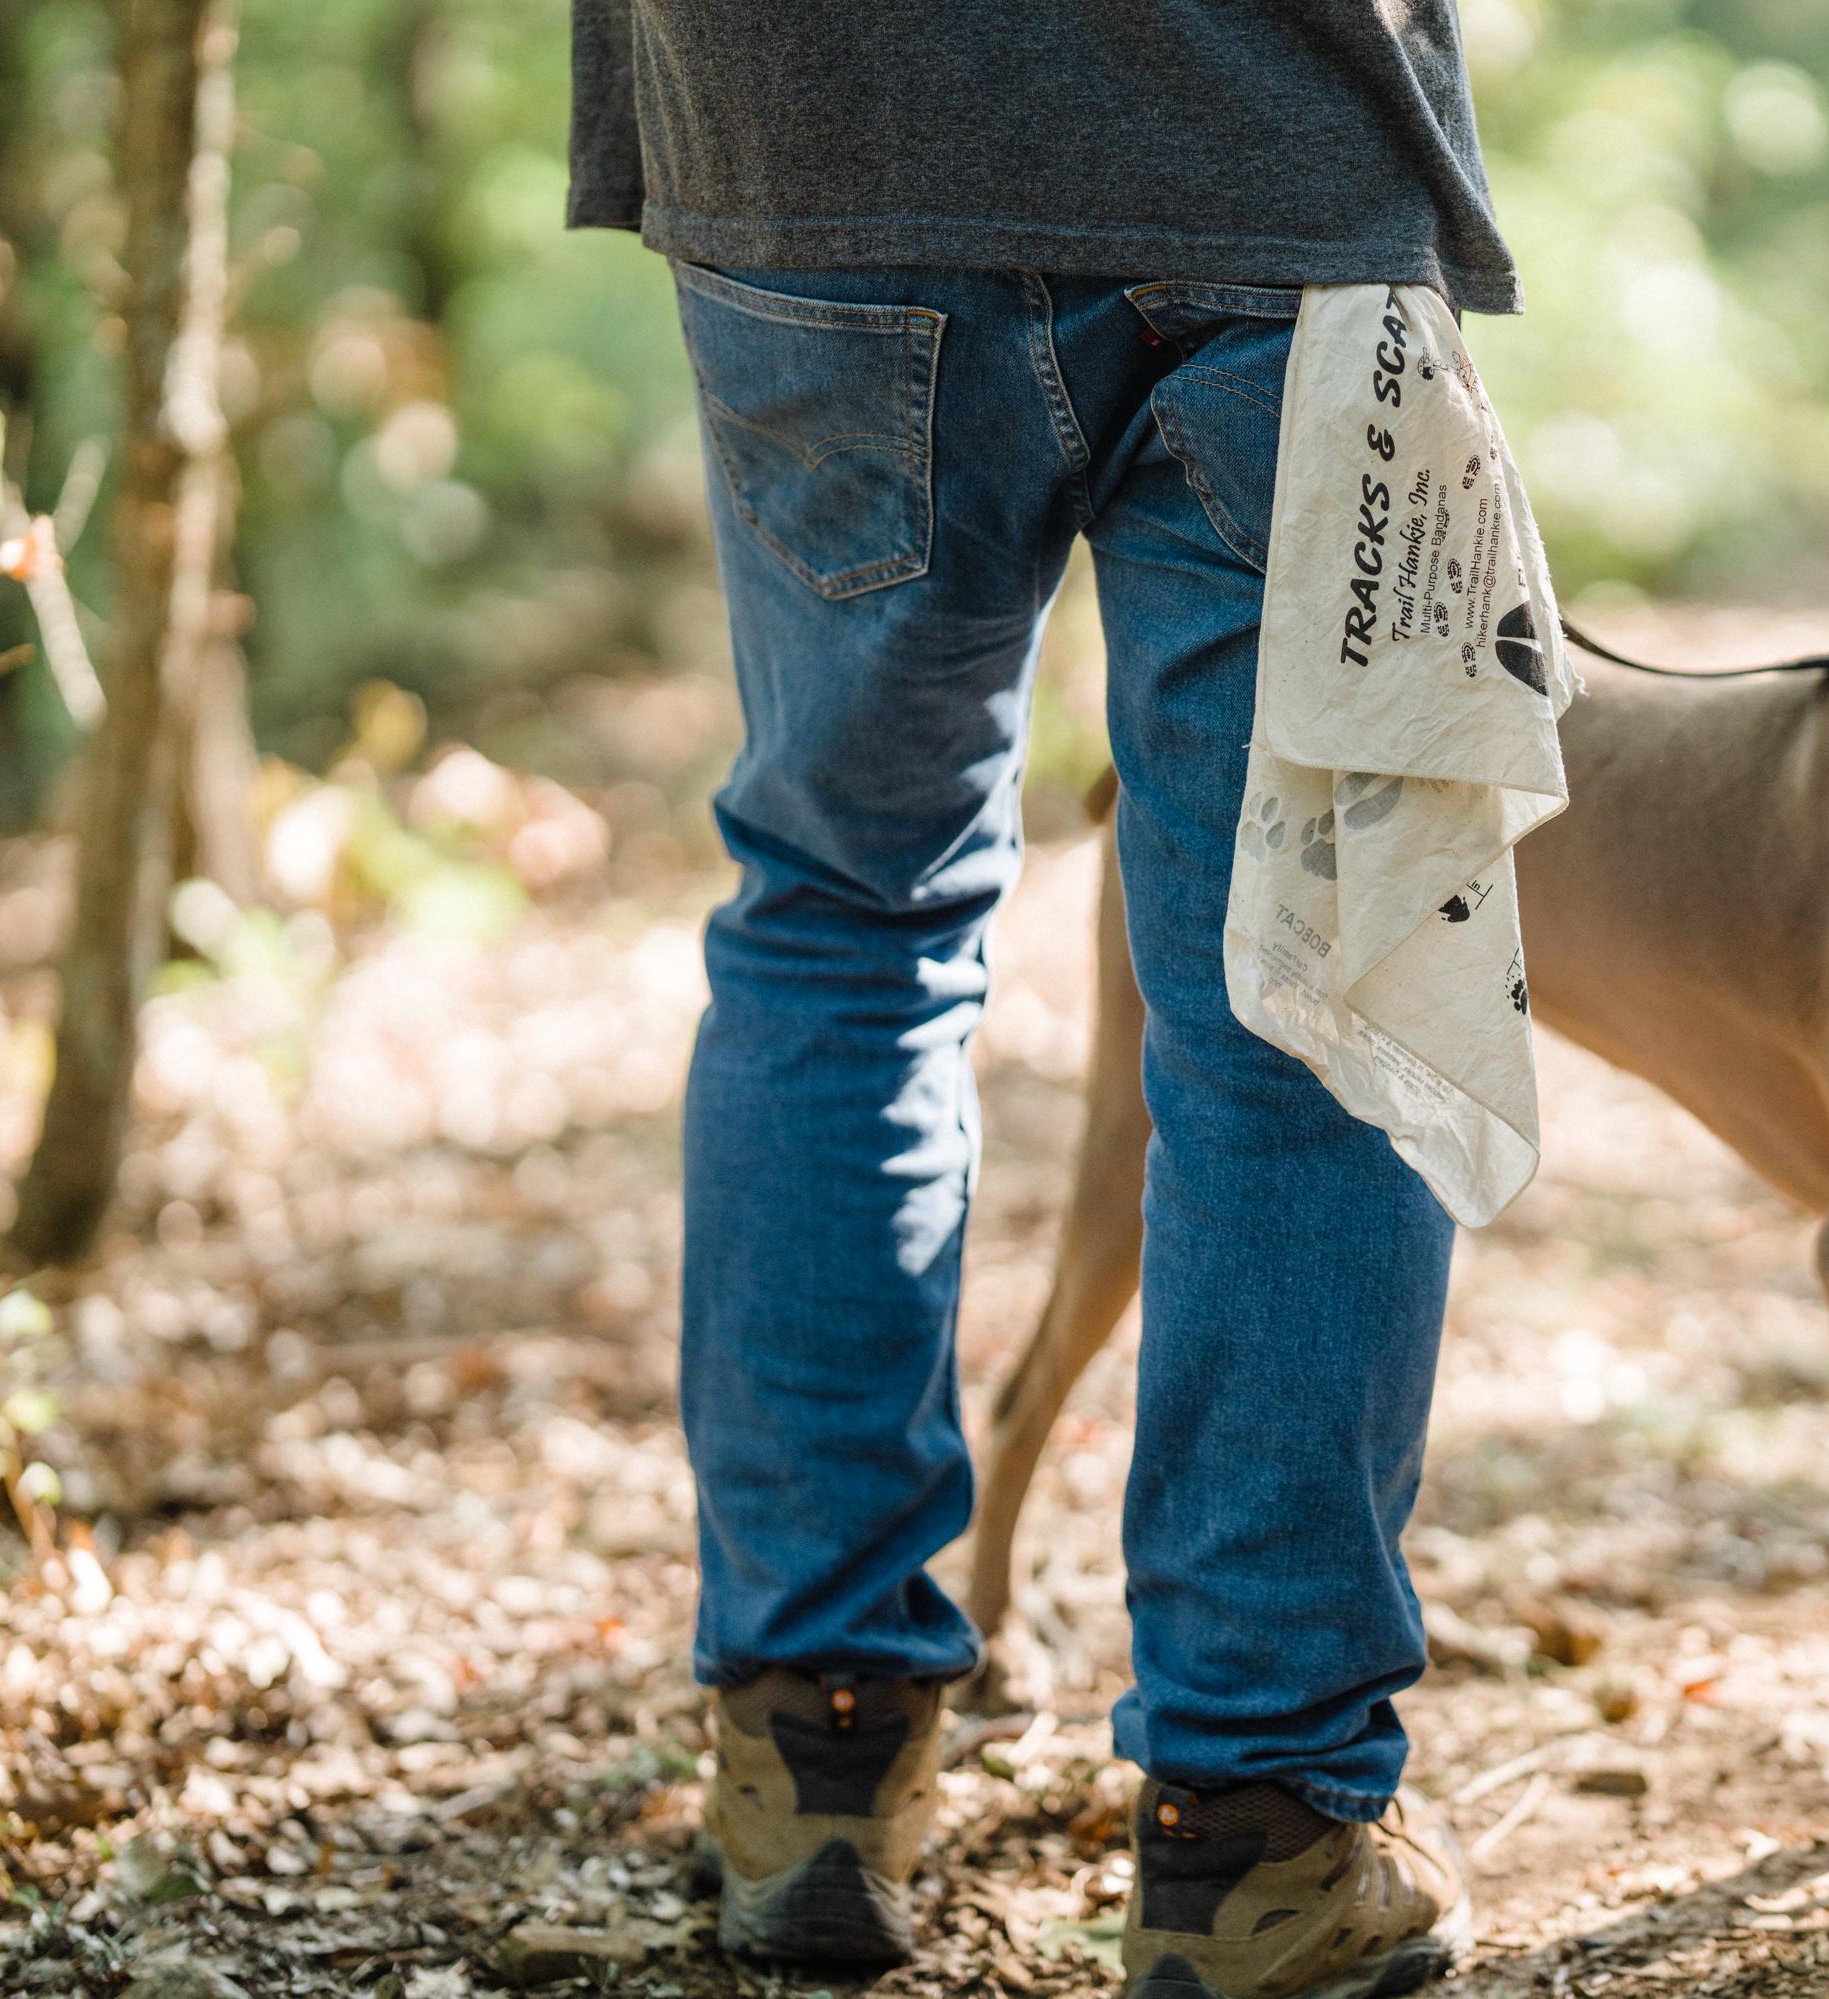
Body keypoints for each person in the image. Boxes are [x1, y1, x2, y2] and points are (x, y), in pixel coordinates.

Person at [566, 8, 1520, 1996]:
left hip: (814, 131)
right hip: (1270, 141)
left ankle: (815, 1750)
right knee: (1302, 971)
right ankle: (1257, 1830)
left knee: (847, 915)